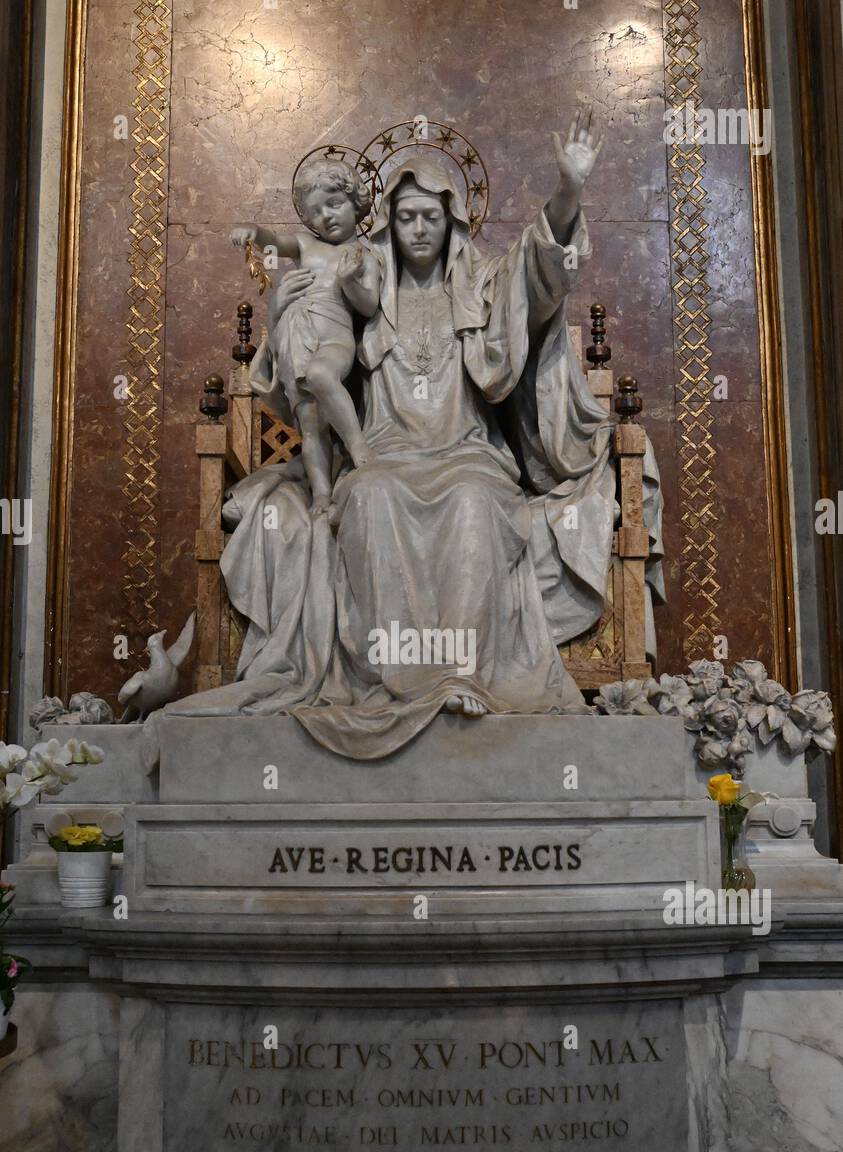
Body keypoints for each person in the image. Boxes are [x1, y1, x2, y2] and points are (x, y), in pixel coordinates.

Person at [166, 112, 663, 761]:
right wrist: (279, 308)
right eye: (406, 218)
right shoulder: (361, 289)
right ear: (388, 224)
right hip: (386, 457)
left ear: (453, 218)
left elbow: (542, 274)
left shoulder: (482, 288)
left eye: (431, 215)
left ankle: (461, 675)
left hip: (468, 458)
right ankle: (390, 678)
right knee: (368, 499)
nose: (419, 228)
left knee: (474, 507)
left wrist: (568, 190)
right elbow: (301, 375)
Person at [231, 159, 381, 513]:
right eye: (314, 212)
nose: (325, 216)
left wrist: (348, 281)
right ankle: (321, 494)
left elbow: (370, 306)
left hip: (335, 335)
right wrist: (254, 231)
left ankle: (359, 448)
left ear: (355, 202)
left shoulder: (365, 255)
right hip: (296, 338)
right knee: (311, 425)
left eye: (334, 204)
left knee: (320, 374)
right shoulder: (304, 245)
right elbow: (273, 243)